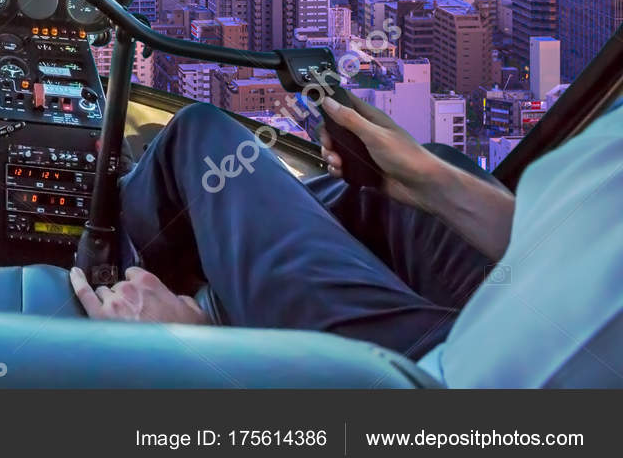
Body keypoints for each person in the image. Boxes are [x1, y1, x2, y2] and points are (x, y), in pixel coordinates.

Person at [69, 91, 623, 387]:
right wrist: (430, 184)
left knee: (205, 140)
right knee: (416, 180)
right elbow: (582, 243)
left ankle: (108, 259)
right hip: (527, 306)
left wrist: (197, 354)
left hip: (433, 382)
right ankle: (231, 272)